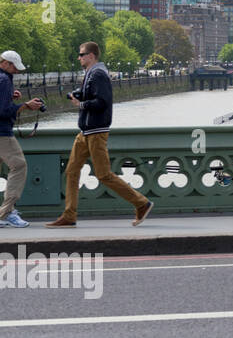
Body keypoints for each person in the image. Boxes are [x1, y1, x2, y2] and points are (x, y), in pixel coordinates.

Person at [45, 42, 153, 228]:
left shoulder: (98, 74)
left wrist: (81, 105)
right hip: (85, 132)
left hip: (96, 132)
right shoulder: (91, 74)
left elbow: (103, 101)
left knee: (103, 175)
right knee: (71, 171)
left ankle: (141, 203)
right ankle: (69, 215)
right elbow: (90, 94)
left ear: (92, 55)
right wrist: (78, 95)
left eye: (81, 54)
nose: (79, 58)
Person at [0, 49, 45, 228]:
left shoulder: (3, 79)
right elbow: (2, 111)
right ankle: (6, 212)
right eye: (14, 67)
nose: (17, 71)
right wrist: (25, 106)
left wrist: (9, 97)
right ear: (5, 63)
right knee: (19, 166)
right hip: (2, 133)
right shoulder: (4, 80)